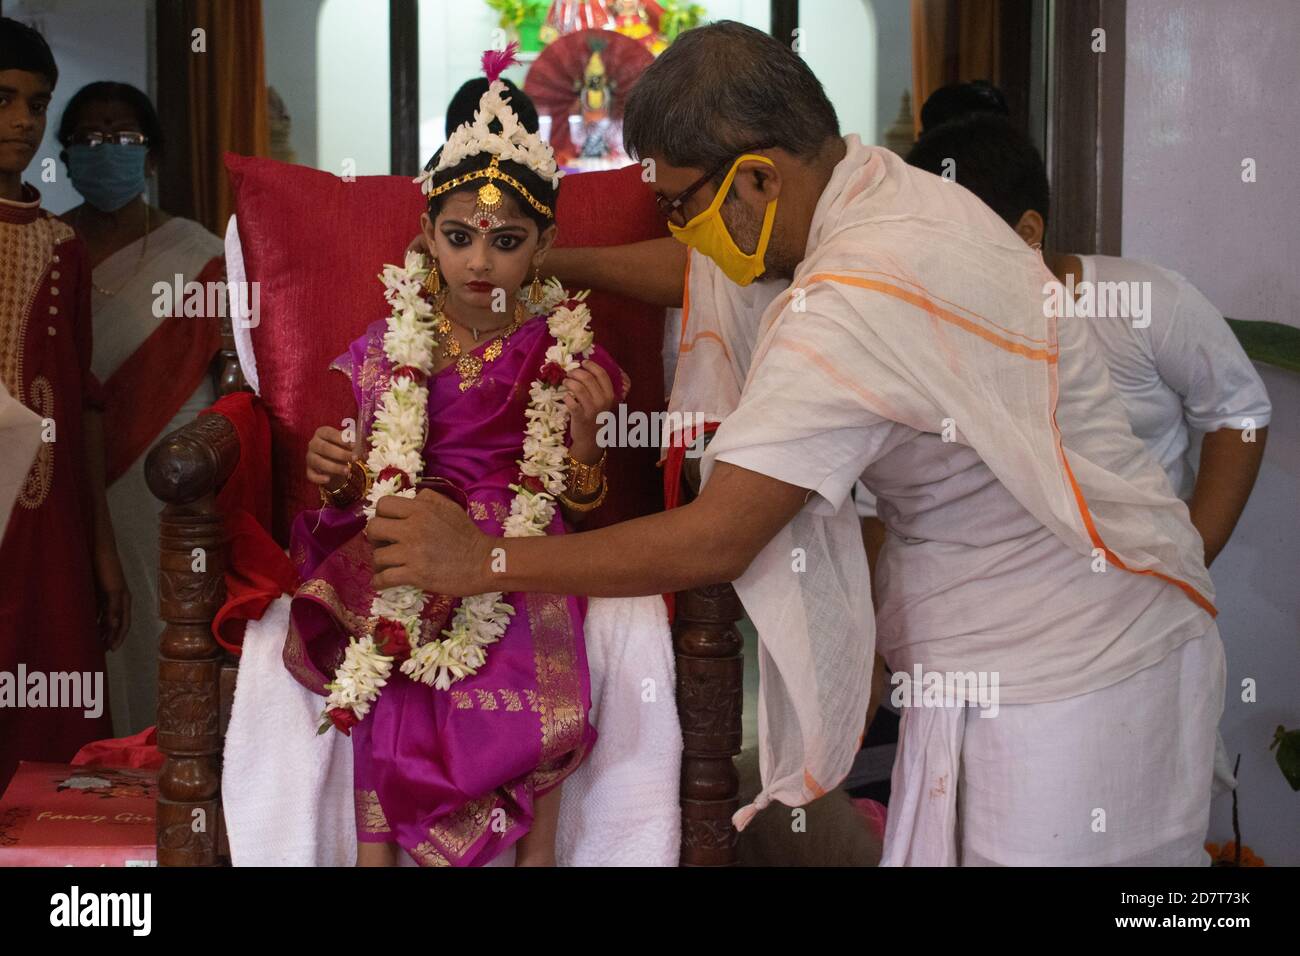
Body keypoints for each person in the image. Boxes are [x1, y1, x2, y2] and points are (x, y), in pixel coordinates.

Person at [370, 21, 1227, 866]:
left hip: (1074, 676)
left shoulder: (851, 296)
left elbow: (720, 534)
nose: (677, 228)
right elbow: (709, 274)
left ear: (756, 178)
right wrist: (541, 267)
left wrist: (480, 561)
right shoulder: (874, 188)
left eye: (679, 205)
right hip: (1045, 645)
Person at [290, 45, 634, 867]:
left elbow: (581, 503)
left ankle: (534, 854)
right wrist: (337, 469)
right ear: (426, 236)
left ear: (543, 245)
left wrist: (585, 439)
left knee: (534, 623)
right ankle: (377, 855)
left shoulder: (562, 347)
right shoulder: (390, 343)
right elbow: (371, 475)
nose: (480, 263)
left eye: (506, 241)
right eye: (459, 237)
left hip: (517, 537)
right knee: (391, 622)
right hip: (410, 518)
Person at [906, 108, 1270, 566]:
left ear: (1027, 232)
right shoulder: (920, 328)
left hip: (1137, 597)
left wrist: (1192, 556)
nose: (934, 271)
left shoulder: (1146, 303)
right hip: (985, 602)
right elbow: (890, 494)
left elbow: (1239, 413)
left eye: (952, 250)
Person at [57, 81, 225, 736]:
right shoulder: (45, 247)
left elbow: (234, 384)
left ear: (151, 156)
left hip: (162, 485)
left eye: (124, 138)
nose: (106, 151)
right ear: (65, 155)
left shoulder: (201, 254)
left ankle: (162, 777)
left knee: (159, 627)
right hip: (62, 480)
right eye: (89, 138)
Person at [0, 18, 121, 791]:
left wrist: (102, 549)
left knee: (49, 736)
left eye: (36, 103)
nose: (22, 121)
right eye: (3, 99)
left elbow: (79, 402)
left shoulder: (60, 243)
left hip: (47, 527)